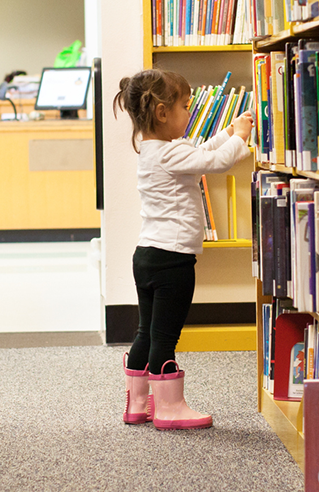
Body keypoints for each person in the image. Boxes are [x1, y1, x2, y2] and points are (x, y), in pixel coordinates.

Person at [111, 68, 253, 431]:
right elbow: (216, 162)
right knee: (164, 337)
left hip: (147, 256)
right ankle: (169, 409)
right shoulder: (170, 155)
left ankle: (138, 404)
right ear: (162, 112)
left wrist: (226, 133)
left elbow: (202, 152)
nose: (189, 113)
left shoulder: (157, 151)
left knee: (146, 331)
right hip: (172, 260)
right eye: (186, 106)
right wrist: (239, 139)